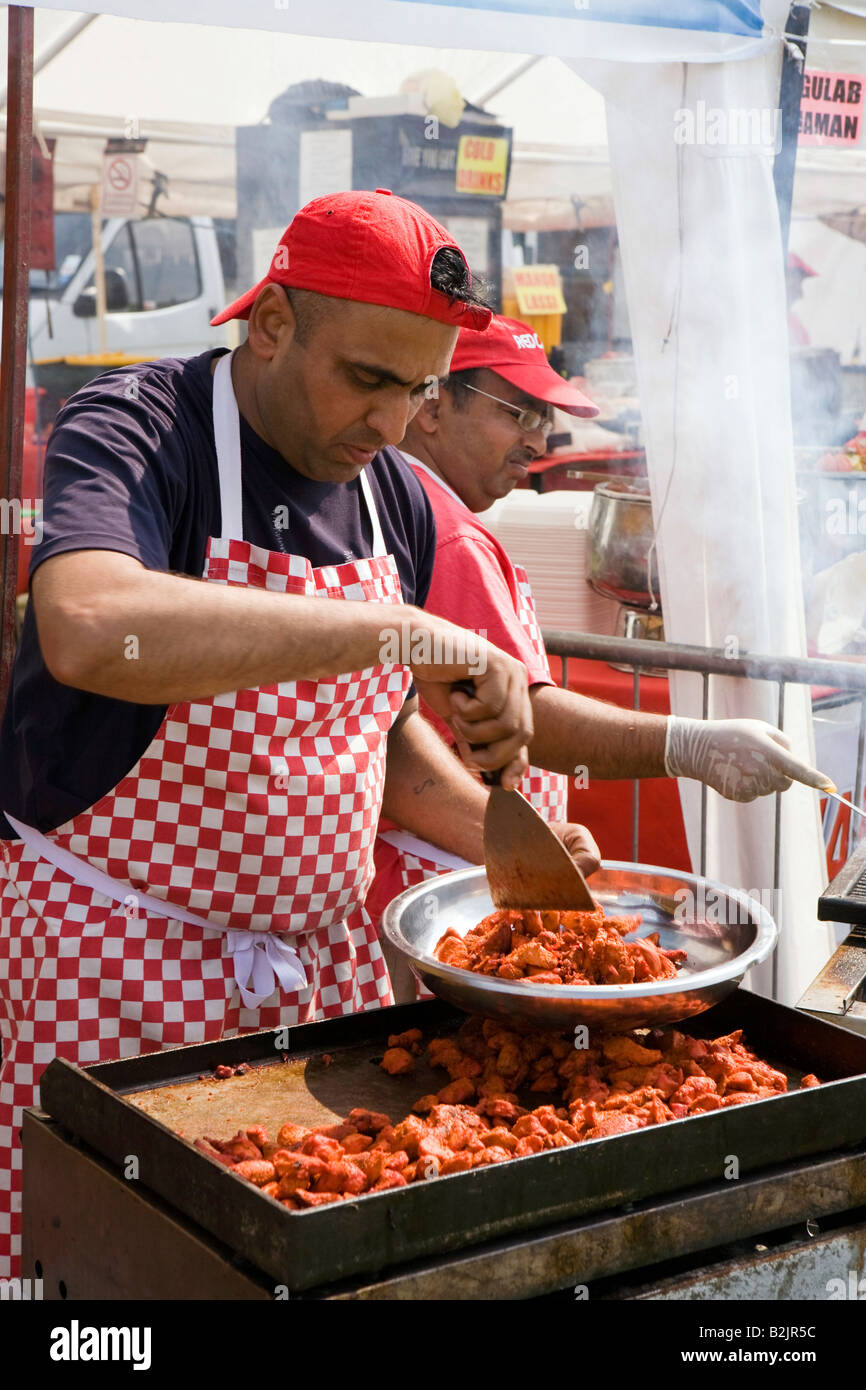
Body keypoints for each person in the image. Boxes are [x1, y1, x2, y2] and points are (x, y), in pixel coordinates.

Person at [0, 197, 597, 1276]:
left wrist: (509, 852)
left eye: (414, 389)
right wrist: (394, 630)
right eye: (365, 378)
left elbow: (372, 738)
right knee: (111, 1270)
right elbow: (90, 628)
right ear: (270, 322)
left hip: (318, 980)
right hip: (118, 961)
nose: (388, 421)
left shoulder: (391, 501)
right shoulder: (141, 428)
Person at [368, 313, 831, 927]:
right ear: (431, 405)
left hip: (457, 857)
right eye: (518, 412)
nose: (540, 441)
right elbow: (531, 717)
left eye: (545, 419)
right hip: (451, 875)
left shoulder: (407, 502)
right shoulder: (451, 535)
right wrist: (686, 744)